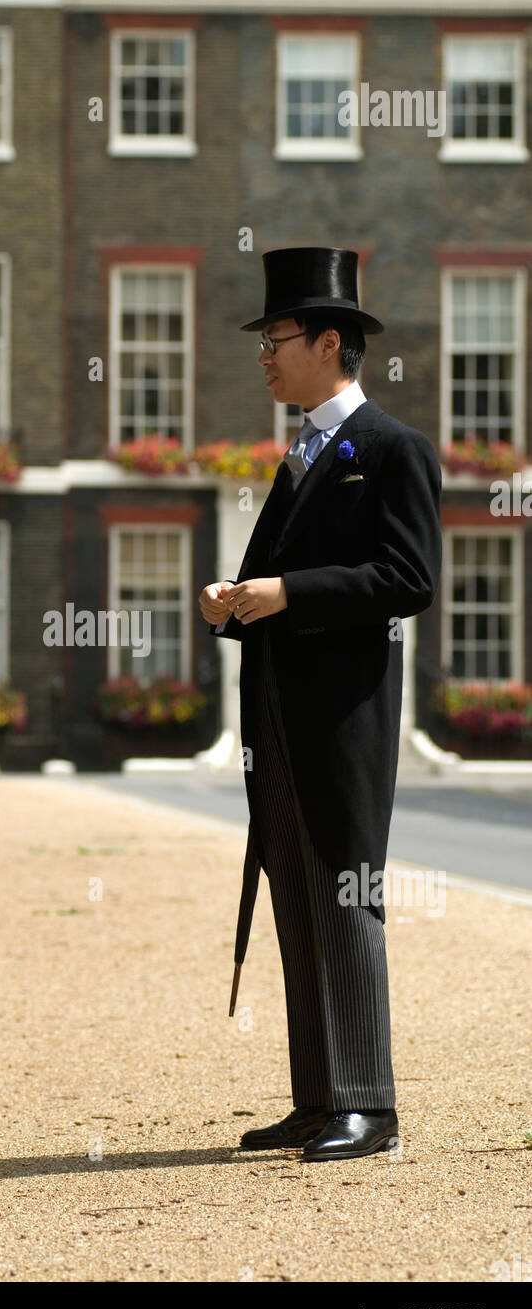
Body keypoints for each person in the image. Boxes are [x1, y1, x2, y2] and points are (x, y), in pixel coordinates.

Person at [199, 248, 441, 1161]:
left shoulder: (391, 449)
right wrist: (240, 599)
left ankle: (369, 1105)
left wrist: (289, 592)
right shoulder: (301, 454)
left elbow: (409, 578)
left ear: (329, 342)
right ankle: (318, 1097)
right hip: (281, 716)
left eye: (277, 339)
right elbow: (285, 576)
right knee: (294, 893)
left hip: (344, 718)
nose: (263, 355)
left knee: (347, 892)